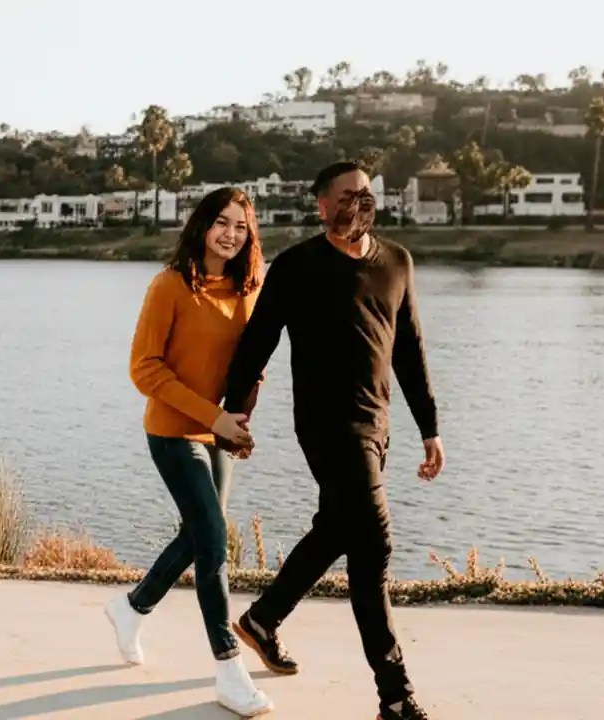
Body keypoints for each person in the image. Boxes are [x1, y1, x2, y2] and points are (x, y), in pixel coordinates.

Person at [218, 161, 445, 720]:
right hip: (324, 426)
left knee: (338, 528)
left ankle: (262, 619)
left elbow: (409, 350)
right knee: (374, 544)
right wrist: (233, 413)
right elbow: (257, 341)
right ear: (321, 206)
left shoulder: (396, 262)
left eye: (364, 193)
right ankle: (395, 695)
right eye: (345, 196)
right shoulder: (297, 266)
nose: (357, 203)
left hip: (376, 425)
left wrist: (430, 427)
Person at [104, 186, 273, 717]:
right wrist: (212, 417)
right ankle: (229, 669)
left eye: (241, 226)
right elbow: (144, 368)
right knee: (214, 538)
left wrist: (237, 423)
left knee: (200, 534)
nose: (230, 234)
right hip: (172, 430)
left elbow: (251, 364)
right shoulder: (170, 285)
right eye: (221, 222)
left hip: (216, 431)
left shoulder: (248, 289)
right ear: (201, 225)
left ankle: (132, 608)